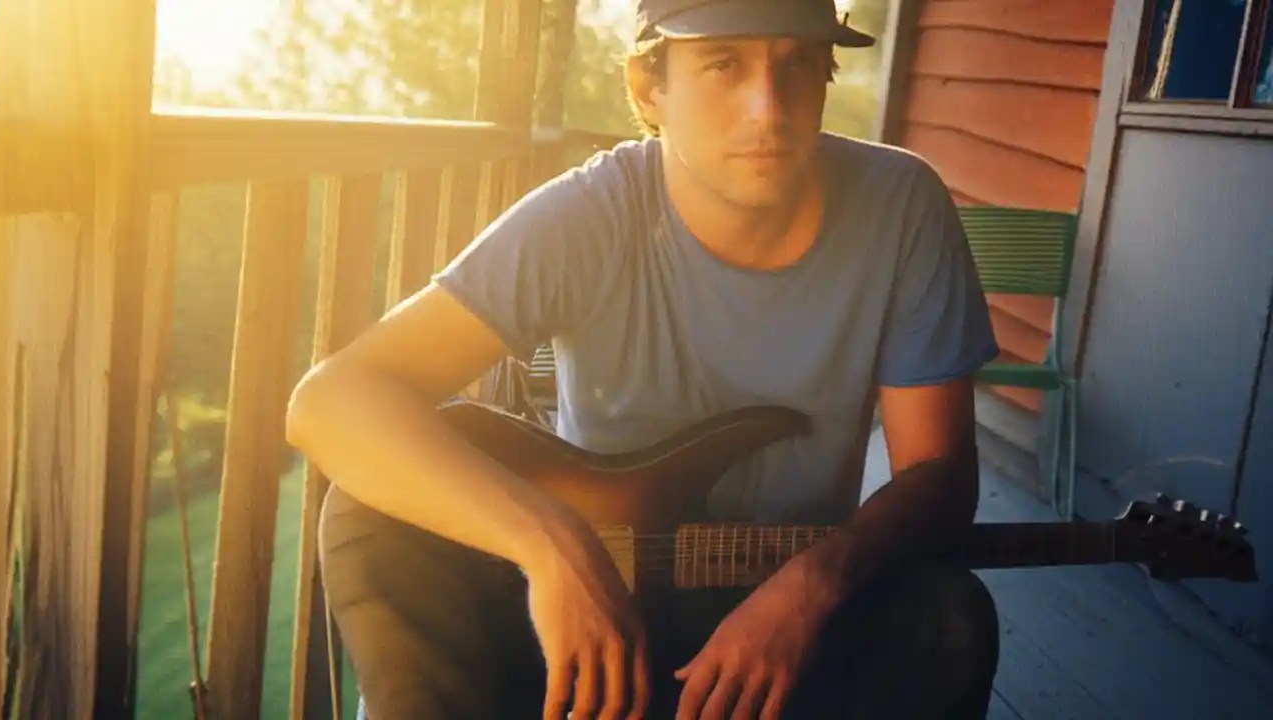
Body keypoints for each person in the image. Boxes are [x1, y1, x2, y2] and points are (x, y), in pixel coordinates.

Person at [286, 0, 1003, 717]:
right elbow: (330, 402)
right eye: (724, 64)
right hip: (604, 613)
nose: (768, 107)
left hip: (791, 620)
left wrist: (811, 586)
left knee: (949, 618)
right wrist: (552, 549)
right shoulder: (589, 214)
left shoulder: (902, 206)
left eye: (800, 63)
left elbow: (938, 474)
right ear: (647, 89)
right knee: (370, 520)